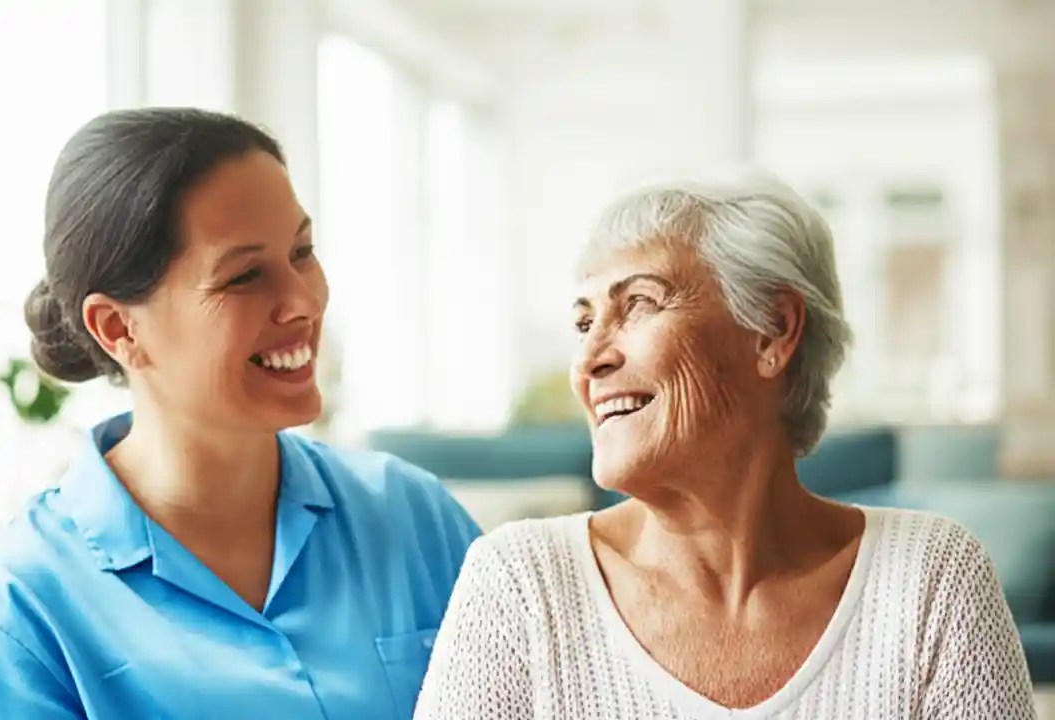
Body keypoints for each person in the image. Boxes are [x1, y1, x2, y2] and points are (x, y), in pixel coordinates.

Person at [414, 168, 1036, 719]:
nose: (590, 359)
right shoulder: (520, 585)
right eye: (583, 323)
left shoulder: (934, 580)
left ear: (772, 330)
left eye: (637, 305)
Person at [0, 107, 481, 719]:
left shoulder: (416, 518)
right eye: (245, 276)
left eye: (302, 251)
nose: (302, 301)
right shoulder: (11, 610)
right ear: (119, 328)